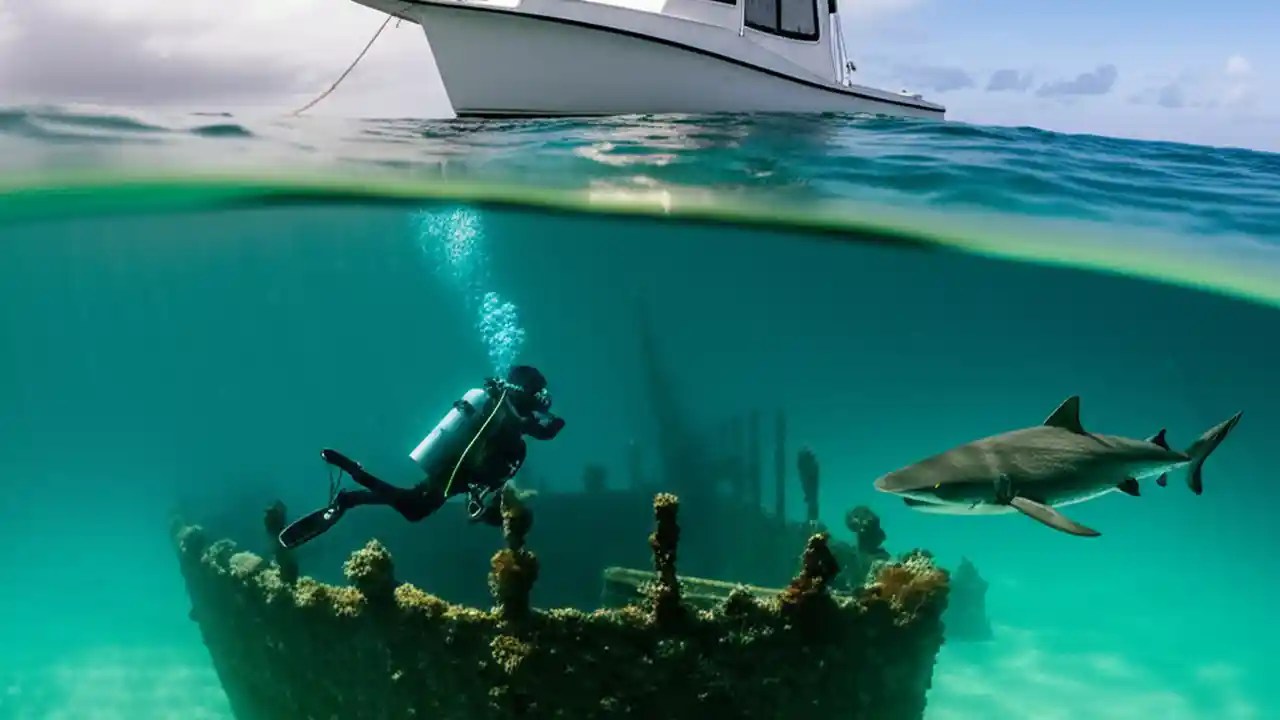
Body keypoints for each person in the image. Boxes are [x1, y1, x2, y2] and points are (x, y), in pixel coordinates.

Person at [278, 365, 565, 549]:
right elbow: (516, 430)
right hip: (458, 470)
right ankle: (352, 481)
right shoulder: (506, 416)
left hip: (460, 471)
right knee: (414, 507)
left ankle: (350, 495)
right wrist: (545, 430)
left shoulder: (502, 409)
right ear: (528, 392)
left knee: (414, 506)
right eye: (539, 392)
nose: (542, 399)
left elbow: (517, 429)